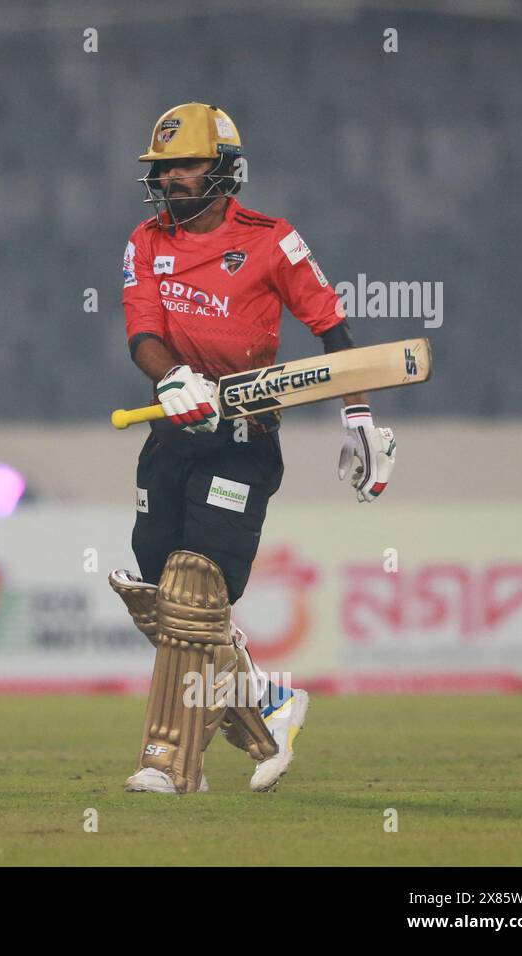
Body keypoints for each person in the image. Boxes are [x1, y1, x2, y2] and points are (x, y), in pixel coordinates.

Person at [111, 103, 396, 793]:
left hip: (244, 435)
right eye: (163, 168)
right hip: (173, 432)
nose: (171, 179)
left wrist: (360, 419)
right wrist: (173, 375)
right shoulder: (145, 242)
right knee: (159, 593)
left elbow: (332, 329)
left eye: (185, 165)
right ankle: (268, 702)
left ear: (225, 170)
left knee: (192, 587)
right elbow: (143, 331)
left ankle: (170, 763)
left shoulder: (274, 242)